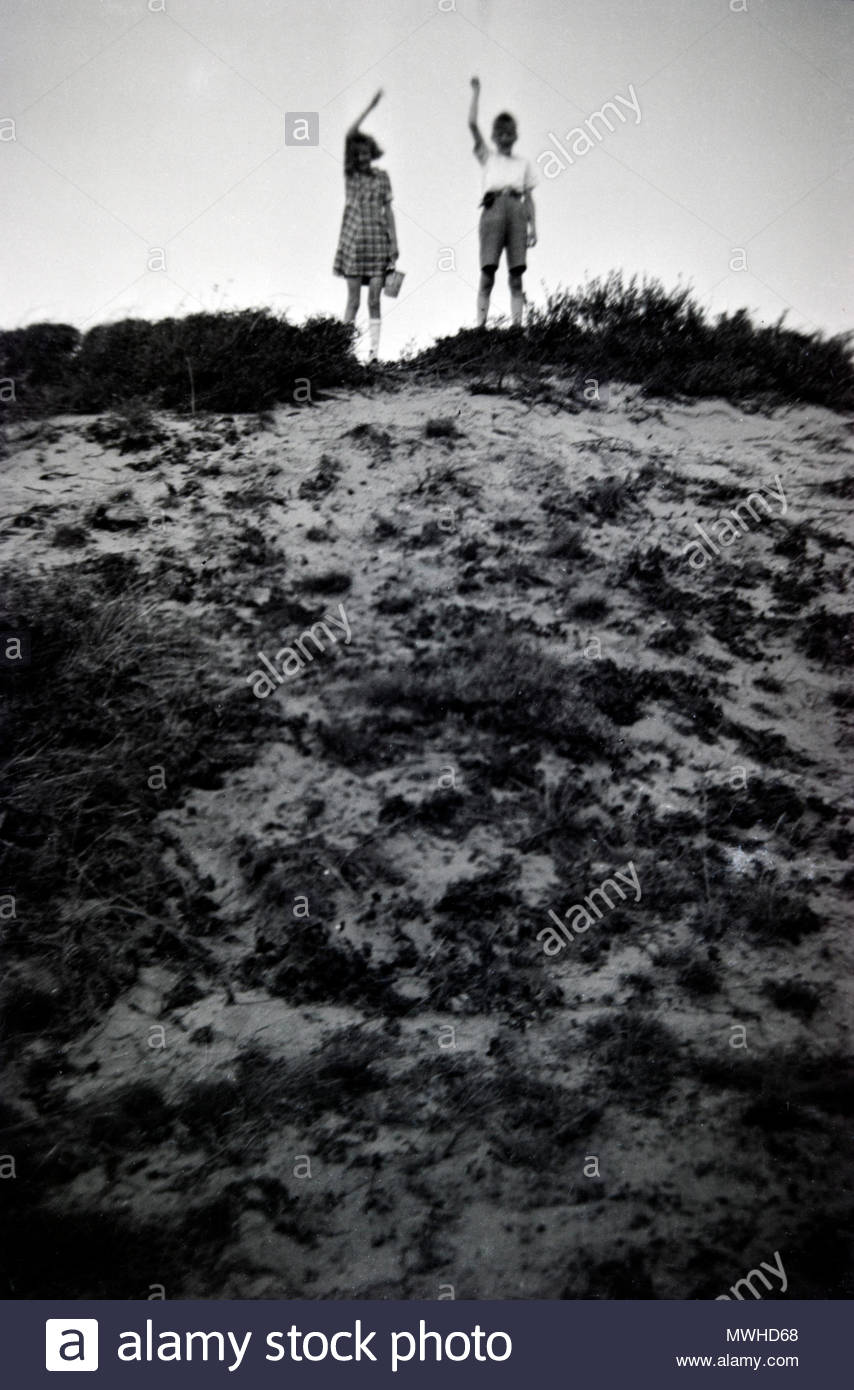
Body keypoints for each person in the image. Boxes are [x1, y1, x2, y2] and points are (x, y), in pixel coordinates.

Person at [333, 89, 399, 362]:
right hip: (354, 244)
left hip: (377, 244)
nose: (362, 157)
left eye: (365, 153)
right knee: (353, 301)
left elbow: (389, 210)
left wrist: (394, 244)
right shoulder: (351, 176)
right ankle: (343, 356)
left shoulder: (382, 177)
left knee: (374, 301)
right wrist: (370, 107)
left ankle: (373, 355)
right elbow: (349, 134)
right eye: (358, 153)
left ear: (372, 153)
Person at [468, 77, 537, 328]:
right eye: (501, 133)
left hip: (516, 210)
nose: (505, 137)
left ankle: (517, 326)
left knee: (516, 275)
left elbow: (529, 197)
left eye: (510, 133)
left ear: (515, 135)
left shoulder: (523, 164)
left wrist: (533, 227)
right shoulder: (488, 157)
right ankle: (480, 326)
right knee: (488, 272)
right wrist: (477, 92)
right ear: (495, 136)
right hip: (493, 208)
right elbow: (472, 124)